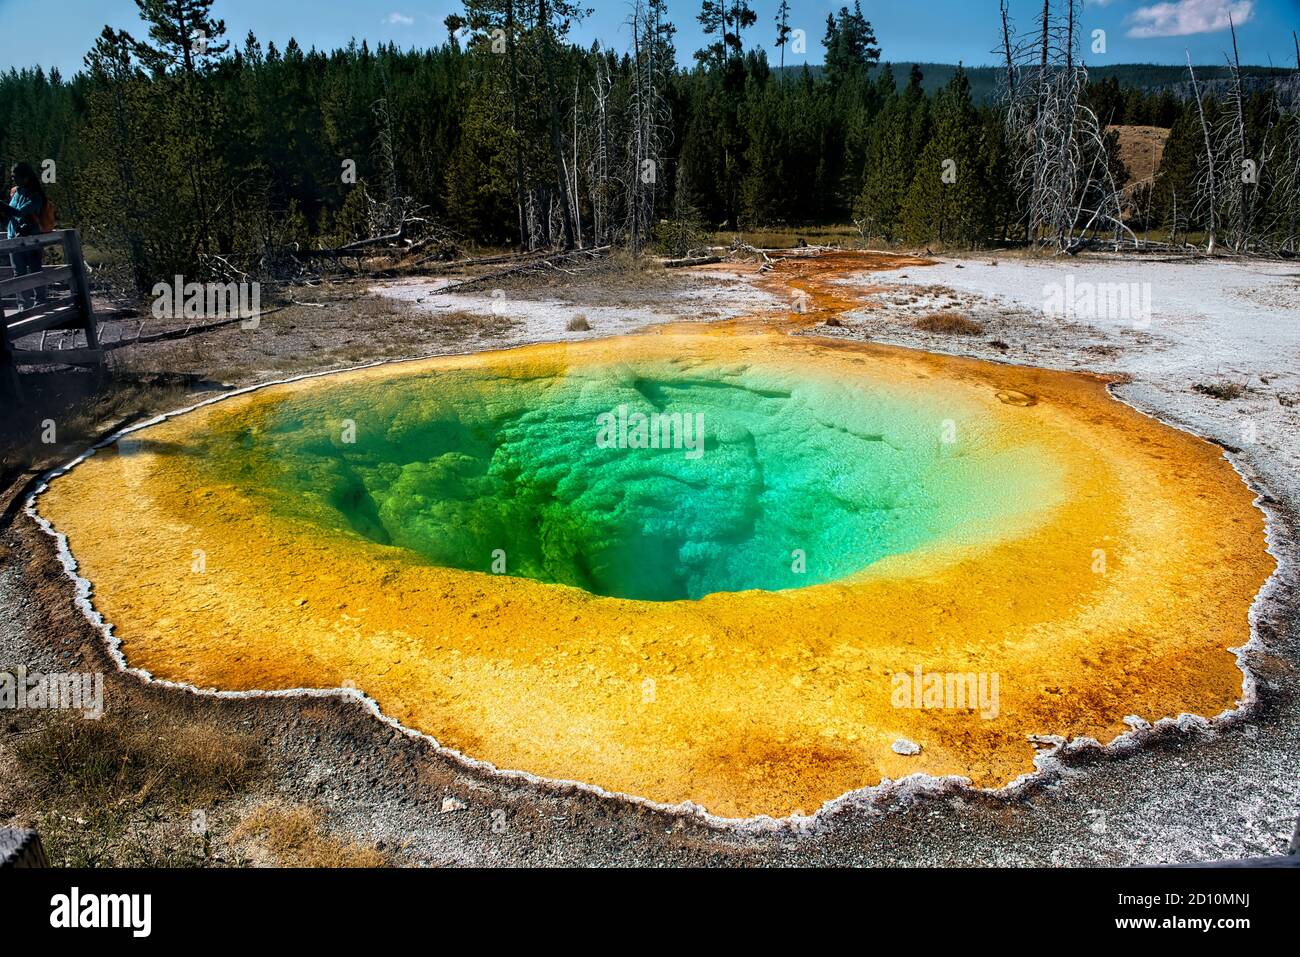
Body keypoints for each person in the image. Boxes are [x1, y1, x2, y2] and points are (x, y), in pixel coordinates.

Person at [5, 162, 52, 309]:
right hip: (14, 237)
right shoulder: (15, 192)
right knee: (18, 272)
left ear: (26, 177)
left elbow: (20, 211)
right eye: (13, 176)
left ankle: (40, 301)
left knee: (34, 270)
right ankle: (23, 304)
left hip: (31, 238)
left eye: (16, 176)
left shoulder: (36, 195)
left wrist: (2, 206)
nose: (14, 179)